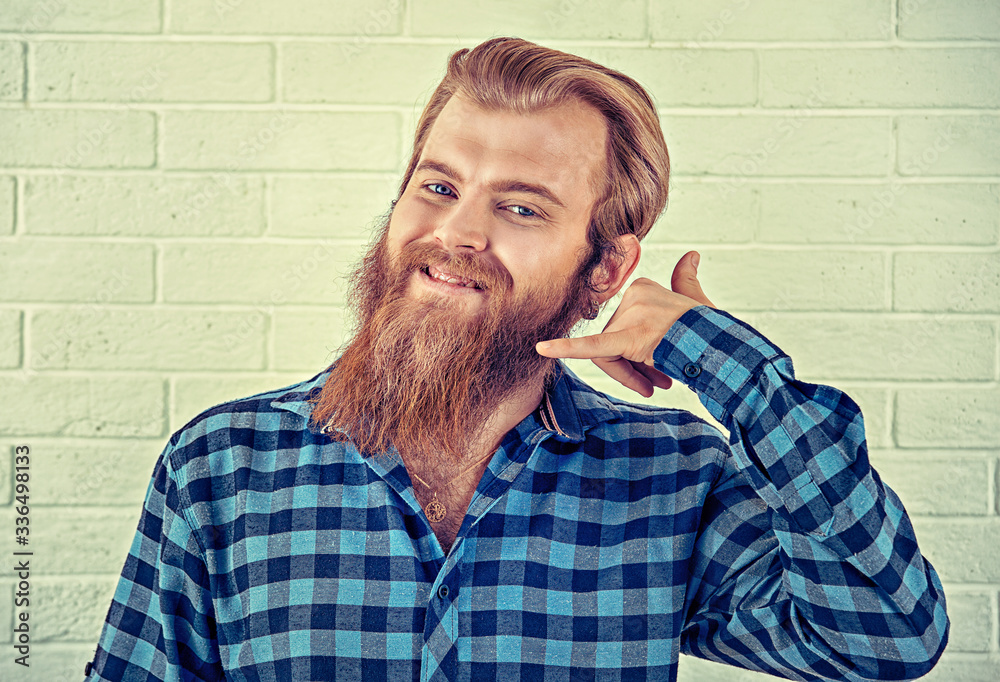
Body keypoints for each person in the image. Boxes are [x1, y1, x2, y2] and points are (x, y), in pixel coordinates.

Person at [86, 37, 948, 681]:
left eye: (523, 209)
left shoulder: (674, 478)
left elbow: (885, 637)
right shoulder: (223, 465)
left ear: (605, 268)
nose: (456, 232)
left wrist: (723, 363)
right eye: (438, 186)